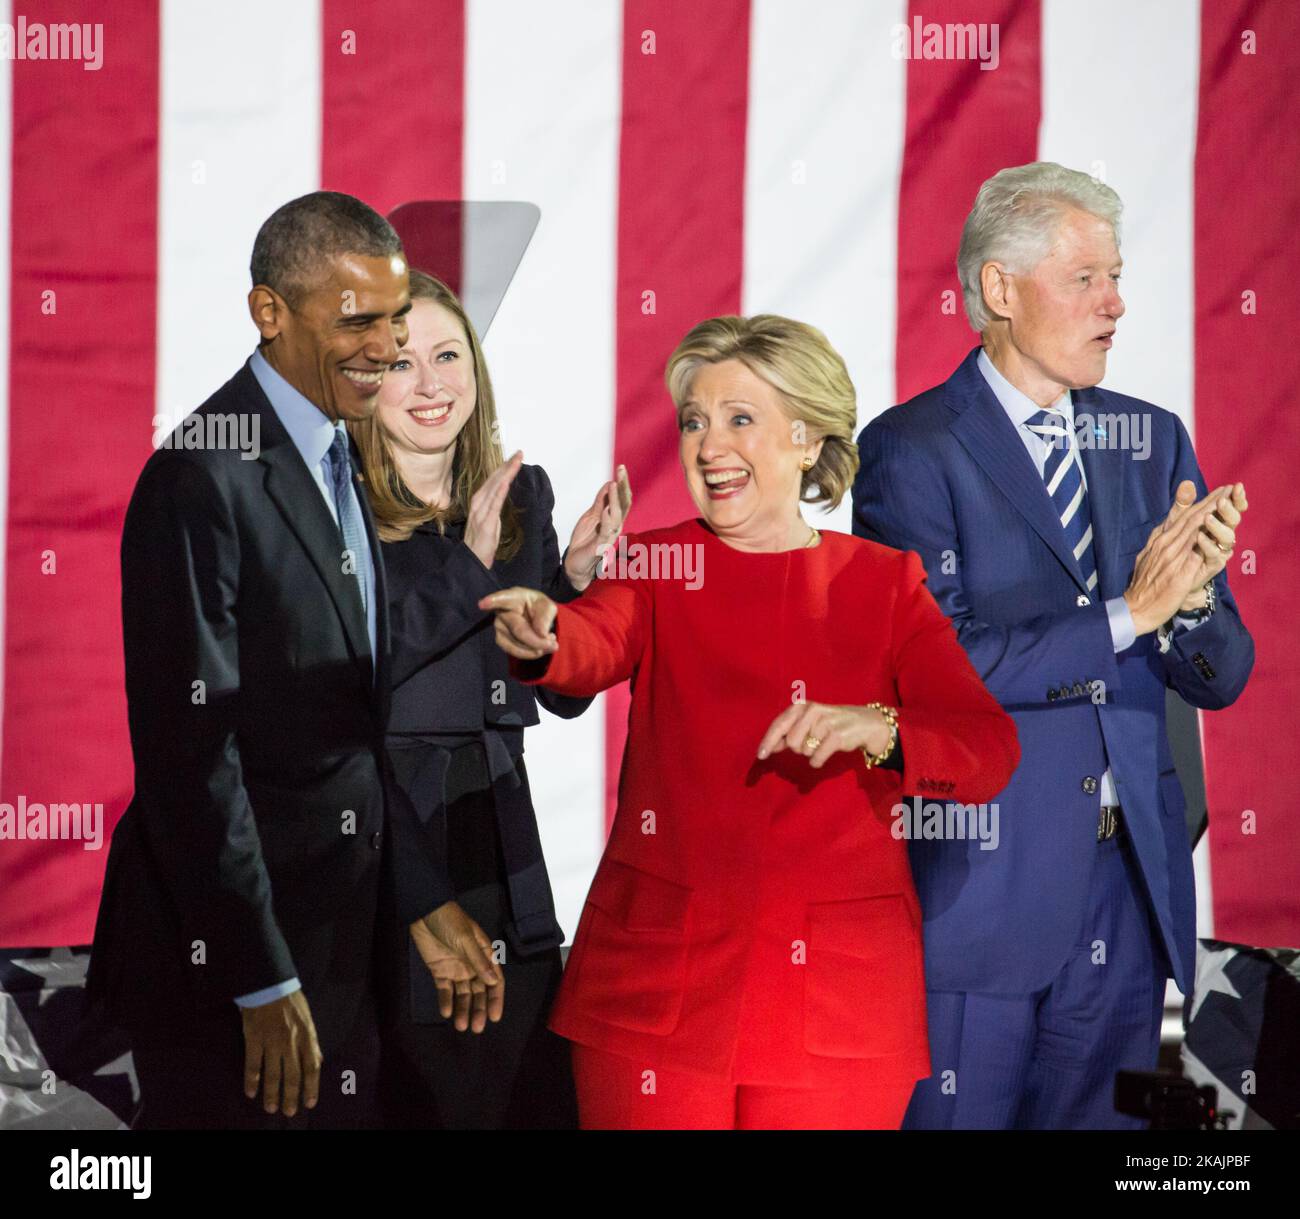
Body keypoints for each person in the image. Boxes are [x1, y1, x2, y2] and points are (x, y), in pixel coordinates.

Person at [478, 314, 1019, 1130]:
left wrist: (880, 729)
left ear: (809, 441)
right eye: (694, 420)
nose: (709, 445)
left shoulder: (883, 583)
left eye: (740, 418)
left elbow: (987, 749)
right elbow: (591, 640)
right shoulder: (655, 563)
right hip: (655, 991)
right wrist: (548, 632)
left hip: (837, 1004)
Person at [853, 162, 1255, 1130]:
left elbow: (1224, 675)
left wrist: (1192, 604)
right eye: (1085, 279)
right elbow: (939, 663)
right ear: (1000, 288)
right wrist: (1131, 613)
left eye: (1115, 278)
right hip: (982, 897)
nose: (1115, 304)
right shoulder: (911, 448)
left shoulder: (1151, 439)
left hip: (1129, 892)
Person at [85, 191, 469, 1128]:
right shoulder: (200, 473)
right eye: (359, 320)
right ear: (271, 312)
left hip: (343, 951)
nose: (389, 346)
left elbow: (350, 724)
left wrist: (417, 895)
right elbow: (189, 754)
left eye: (397, 317)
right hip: (234, 975)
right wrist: (257, 979)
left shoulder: (339, 446)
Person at [349, 269, 627, 1128]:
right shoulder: (332, 506)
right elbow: (351, 679)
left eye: (449, 356)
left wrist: (571, 583)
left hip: (500, 831)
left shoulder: (520, 492)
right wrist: (466, 565)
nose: (430, 383)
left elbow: (556, 698)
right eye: (404, 363)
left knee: (523, 1088)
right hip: (388, 831)